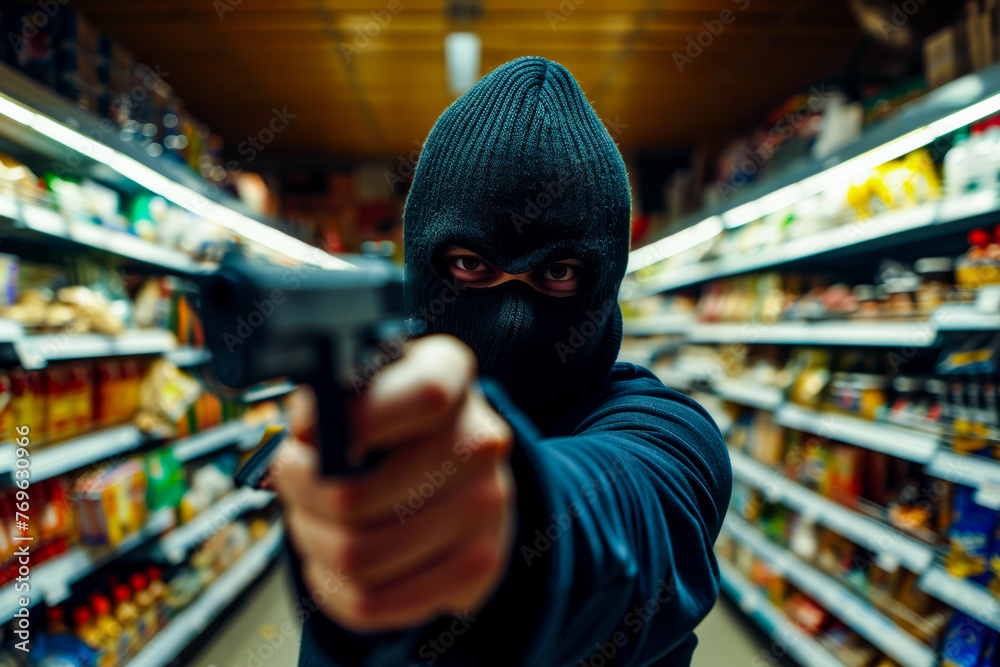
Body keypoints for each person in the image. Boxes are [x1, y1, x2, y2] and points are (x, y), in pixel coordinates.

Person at [272, 56, 732, 666]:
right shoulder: (372, 413)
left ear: (606, 283)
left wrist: (515, 524)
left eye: (560, 273)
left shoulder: (672, 434)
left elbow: (634, 522)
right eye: (469, 265)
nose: (513, 319)